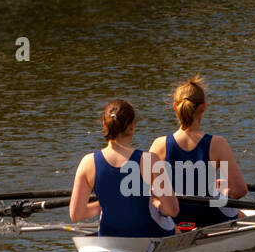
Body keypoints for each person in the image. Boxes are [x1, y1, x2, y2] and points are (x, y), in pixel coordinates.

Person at [147, 76, 247, 228]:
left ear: (175, 106)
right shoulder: (218, 144)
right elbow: (239, 191)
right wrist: (222, 191)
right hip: (211, 217)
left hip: (175, 219)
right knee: (239, 214)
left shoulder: (159, 145)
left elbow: (143, 190)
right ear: (204, 107)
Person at [71, 99, 179, 237]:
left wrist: (104, 203)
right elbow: (172, 210)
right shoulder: (149, 160)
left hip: (109, 237)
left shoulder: (87, 162)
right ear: (132, 126)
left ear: (105, 125)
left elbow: (76, 215)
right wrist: (156, 203)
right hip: (148, 234)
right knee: (175, 228)